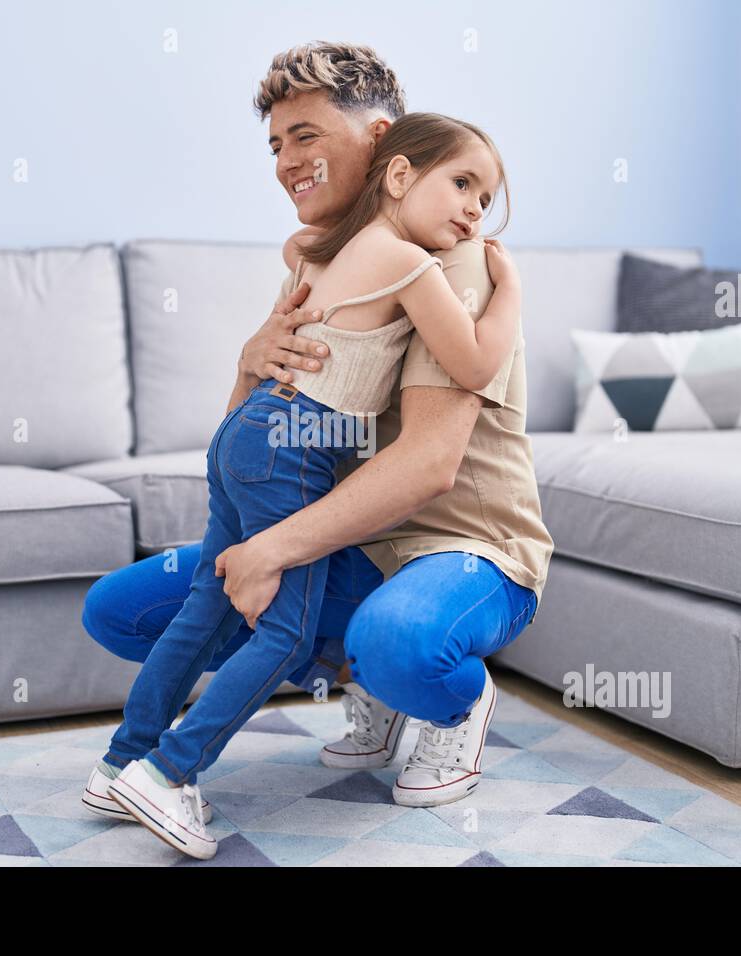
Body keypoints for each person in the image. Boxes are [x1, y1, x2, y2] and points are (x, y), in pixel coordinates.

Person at [82, 40, 553, 844]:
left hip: (455, 545)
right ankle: (155, 761)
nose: (285, 163)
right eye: (276, 144)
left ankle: (434, 692)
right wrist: (247, 356)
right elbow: (254, 413)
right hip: (349, 532)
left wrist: (270, 551)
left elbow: (430, 465)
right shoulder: (321, 252)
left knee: (386, 637)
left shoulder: (451, 257)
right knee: (125, 610)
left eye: (306, 136)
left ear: (382, 144)